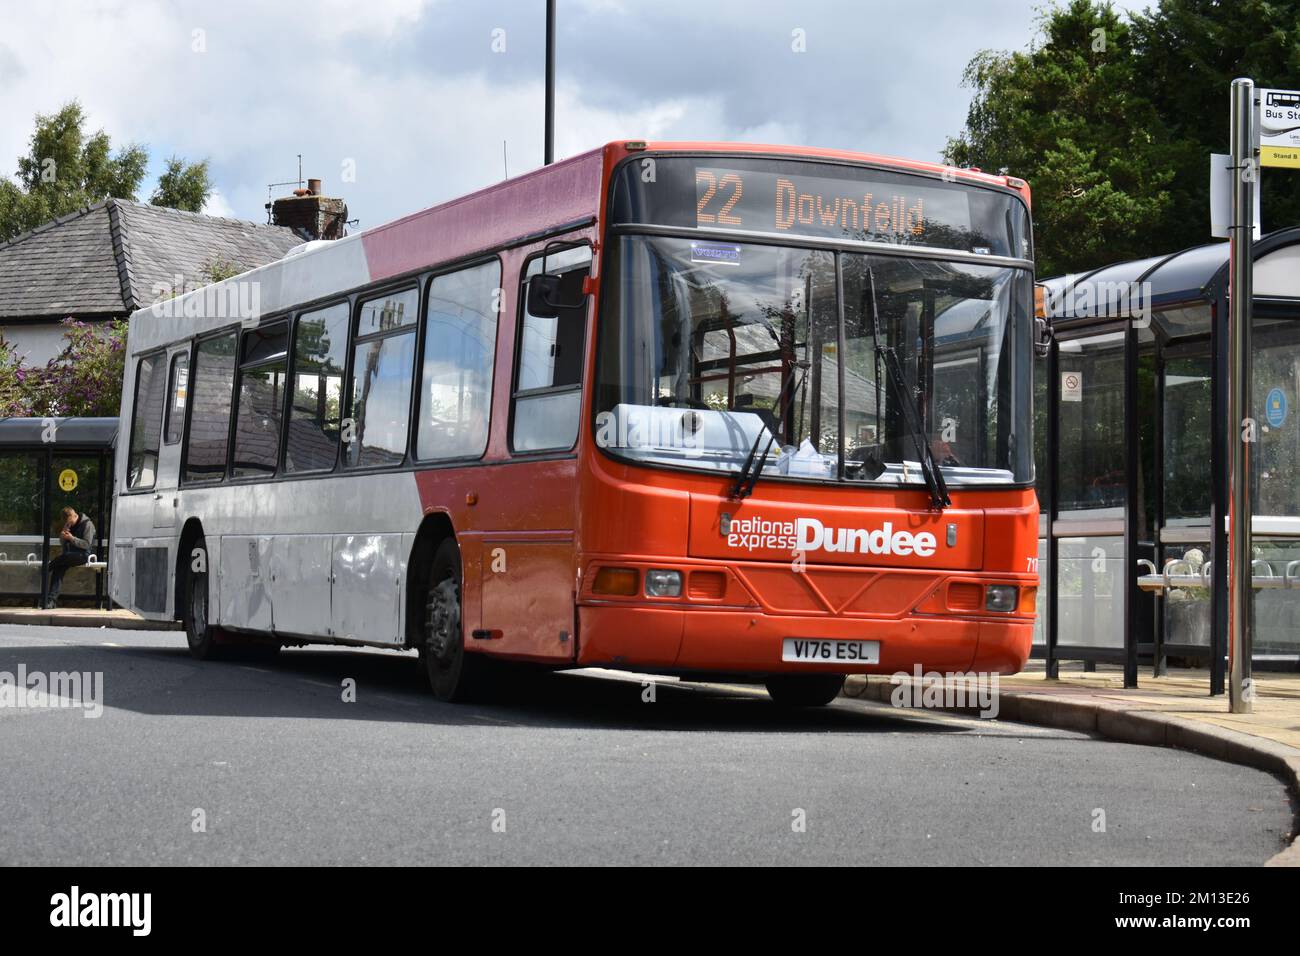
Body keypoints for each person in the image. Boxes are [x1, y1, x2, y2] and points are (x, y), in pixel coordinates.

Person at [45, 507, 96, 609]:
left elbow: (87, 544)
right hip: (68, 556)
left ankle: (45, 569)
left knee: (62, 559)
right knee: (58, 569)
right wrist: (63, 536)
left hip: (83, 555)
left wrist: (72, 538)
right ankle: (51, 601)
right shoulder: (67, 524)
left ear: (74, 515)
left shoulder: (87, 524)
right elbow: (62, 543)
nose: (69, 524)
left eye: (70, 522)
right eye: (67, 523)